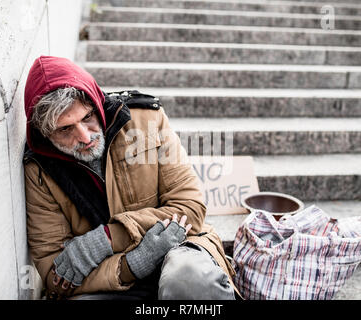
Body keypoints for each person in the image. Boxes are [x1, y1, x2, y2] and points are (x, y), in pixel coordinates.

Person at [23, 55, 237, 300]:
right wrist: (132, 264)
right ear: (45, 134)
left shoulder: (145, 119)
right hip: (109, 275)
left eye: (87, 118)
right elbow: (55, 275)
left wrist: (105, 240)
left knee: (187, 278)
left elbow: (190, 208)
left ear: (96, 103)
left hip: (180, 245)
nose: (84, 137)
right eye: (65, 129)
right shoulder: (39, 169)